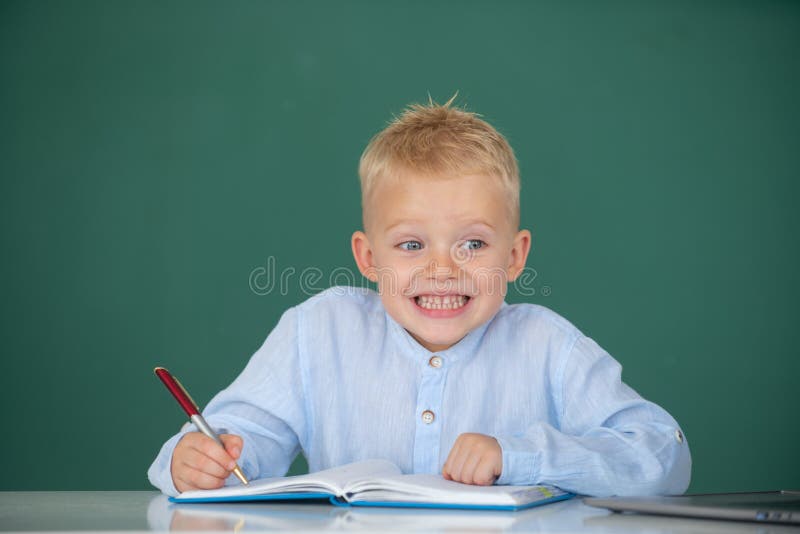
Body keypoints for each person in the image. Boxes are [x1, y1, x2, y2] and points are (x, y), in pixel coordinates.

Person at [148, 94, 691, 497]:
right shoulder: (317, 331)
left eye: (473, 243)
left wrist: (518, 456)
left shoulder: (547, 345)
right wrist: (191, 462)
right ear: (367, 258)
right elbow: (240, 442)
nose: (441, 269)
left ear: (515, 256)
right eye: (411, 244)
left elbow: (664, 453)